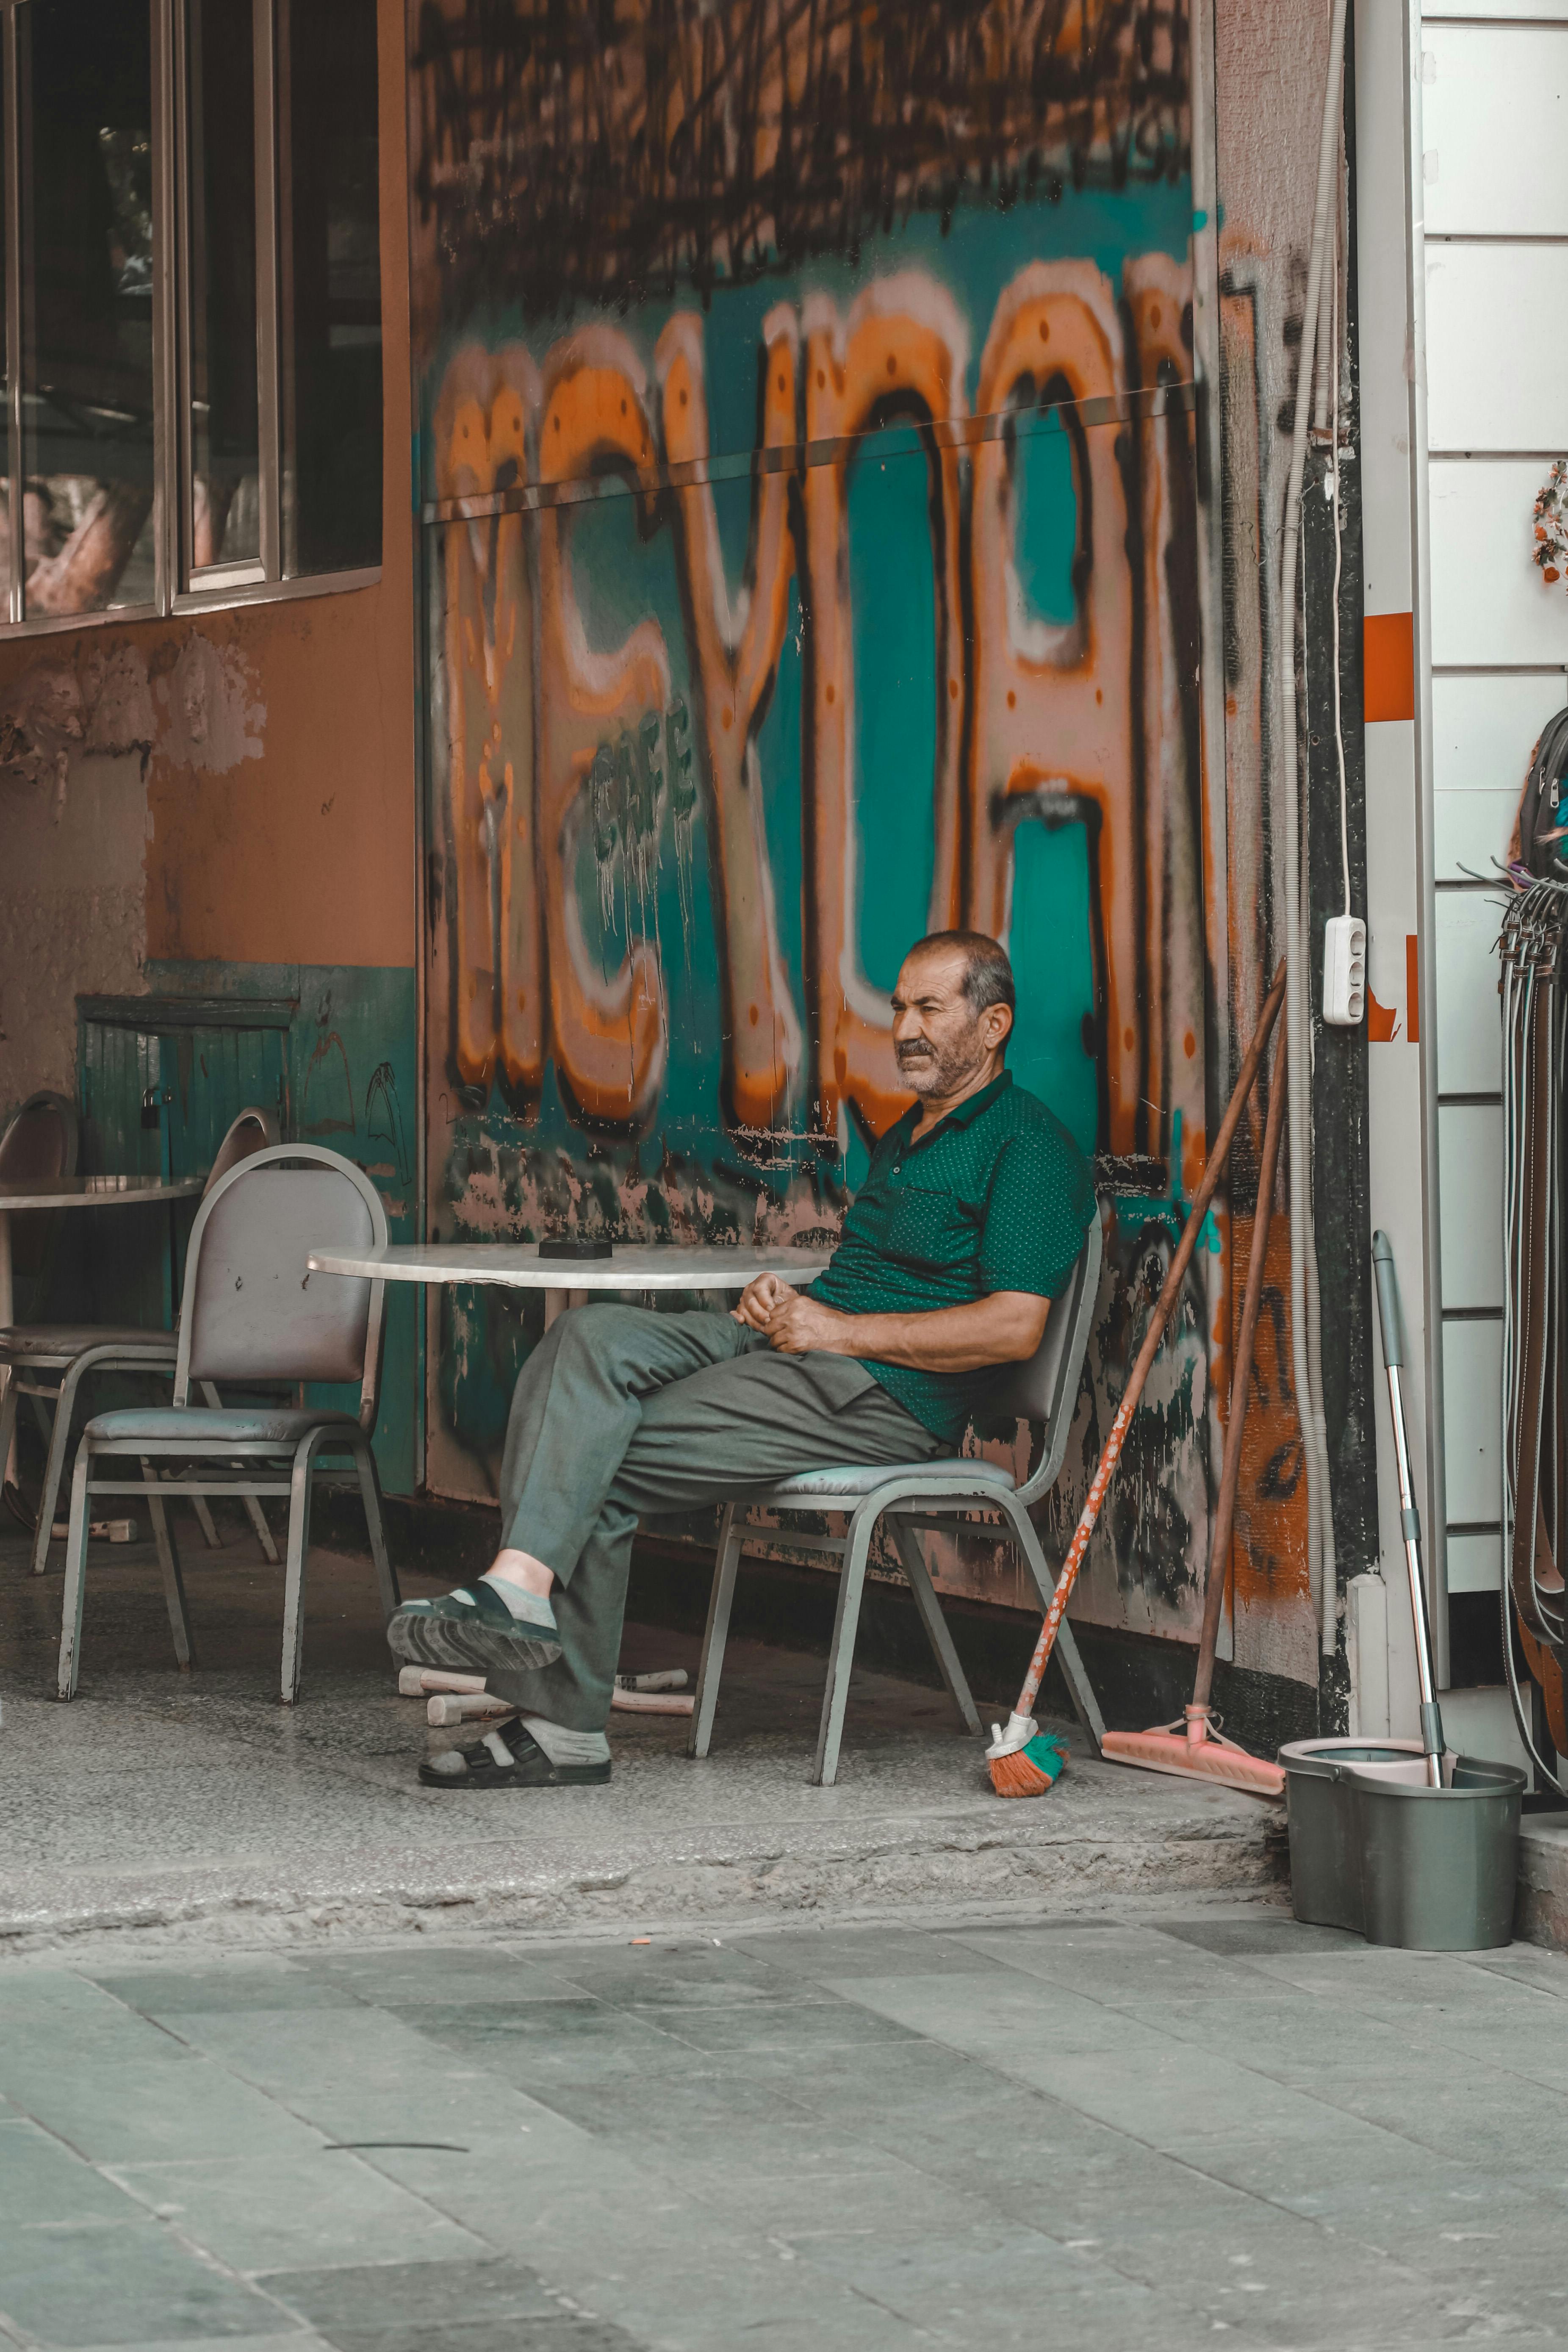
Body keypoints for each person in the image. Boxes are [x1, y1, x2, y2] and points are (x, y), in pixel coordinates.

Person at [393, 929, 1096, 1791]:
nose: (905, 1026)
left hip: (881, 1396)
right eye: (900, 1005)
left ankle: (562, 1723)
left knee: (588, 1452)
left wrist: (835, 1332)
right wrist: (789, 1306)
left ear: (993, 1025)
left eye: (929, 1008)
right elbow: (867, 1280)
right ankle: (519, 1585)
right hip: (808, 1347)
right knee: (582, 1339)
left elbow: (1013, 1327)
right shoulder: (914, 1130)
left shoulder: (1026, 1145)